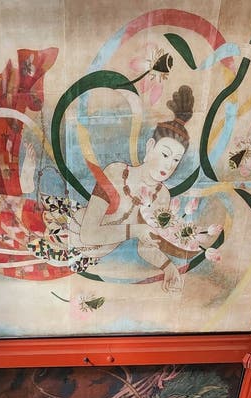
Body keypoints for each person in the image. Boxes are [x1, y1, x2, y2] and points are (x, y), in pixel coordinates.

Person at [77, 84, 195, 293]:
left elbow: (145, 246)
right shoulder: (116, 173)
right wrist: (135, 230)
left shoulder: (162, 196)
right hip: (70, 234)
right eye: (165, 154)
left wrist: (168, 267)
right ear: (150, 147)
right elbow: (87, 234)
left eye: (176, 160)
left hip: (92, 258)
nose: (168, 165)